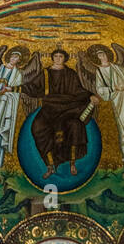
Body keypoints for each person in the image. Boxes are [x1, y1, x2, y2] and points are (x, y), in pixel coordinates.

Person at [23, 48, 98, 177]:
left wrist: (90, 95)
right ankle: (50, 165)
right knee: (38, 127)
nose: (58, 58)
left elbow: (78, 90)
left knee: (74, 126)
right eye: (56, 56)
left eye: (61, 56)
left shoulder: (71, 74)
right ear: (52, 58)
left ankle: (72, 163)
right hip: (49, 108)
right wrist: (12, 88)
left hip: (69, 108)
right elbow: (31, 86)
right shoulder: (45, 73)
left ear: (65, 59)